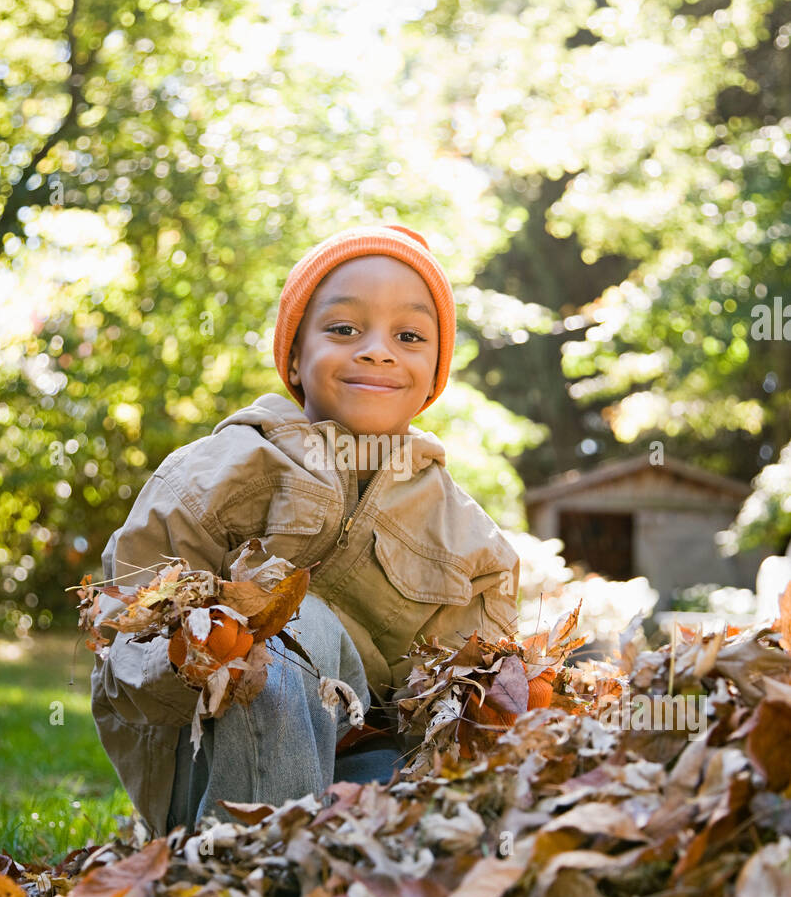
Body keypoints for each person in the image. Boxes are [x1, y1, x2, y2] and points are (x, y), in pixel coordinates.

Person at [90, 222, 520, 837]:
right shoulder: (213, 474)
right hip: (216, 773)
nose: (378, 350)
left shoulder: (466, 536)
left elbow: (460, 697)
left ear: (434, 374)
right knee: (292, 615)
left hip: (367, 774)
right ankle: (255, 861)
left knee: (465, 794)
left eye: (409, 335)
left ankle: (368, 880)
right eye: (344, 329)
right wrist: (197, 654)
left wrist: (485, 698)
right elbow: (123, 643)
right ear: (294, 354)